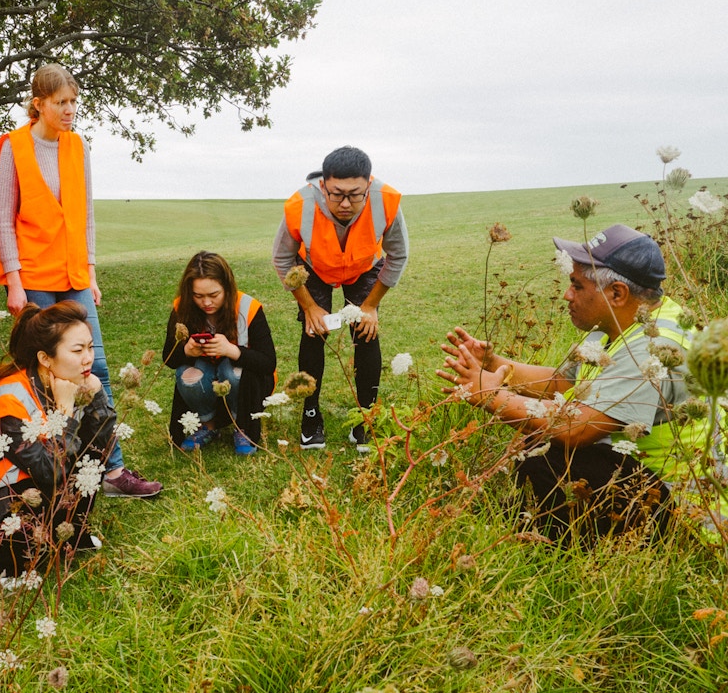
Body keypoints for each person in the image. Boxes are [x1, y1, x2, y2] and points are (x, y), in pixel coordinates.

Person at [437, 224, 696, 543]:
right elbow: (561, 383)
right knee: (538, 439)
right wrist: (494, 364)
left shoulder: (653, 348)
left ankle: (560, 548)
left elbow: (576, 429)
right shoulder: (617, 324)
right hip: (642, 475)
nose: (567, 295)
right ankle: (536, 529)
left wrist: (491, 395)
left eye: (577, 285)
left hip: (681, 507)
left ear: (617, 293)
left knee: (552, 454)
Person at [0, 62, 160, 498]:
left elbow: (85, 215)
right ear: (38, 103)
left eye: (73, 102)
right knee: (46, 373)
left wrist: (93, 271)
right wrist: (14, 281)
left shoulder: (77, 146)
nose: (69, 110)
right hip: (34, 276)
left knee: (94, 367)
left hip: (75, 273)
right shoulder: (13, 147)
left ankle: (112, 471)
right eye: (61, 103)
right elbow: (4, 221)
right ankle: (49, 469)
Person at [0, 302, 117, 576]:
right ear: (45, 358)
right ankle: (4, 563)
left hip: (31, 484)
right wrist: (65, 413)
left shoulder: (66, 380)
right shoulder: (7, 399)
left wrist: (97, 397)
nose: (88, 358)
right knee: (25, 538)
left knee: (92, 459)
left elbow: (101, 446)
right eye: (77, 350)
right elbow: (48, 471)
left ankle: (72, 533)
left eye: (90, 347)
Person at [272, 146, 409, 452]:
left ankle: (365, 419)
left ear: (368, 185)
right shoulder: (300, 205)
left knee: (366, 332)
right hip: (315, 267)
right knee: (314, 331)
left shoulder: (385, 200)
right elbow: (282, 259)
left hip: (363, 266)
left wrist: (370, 306)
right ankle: (311, 417)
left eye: (355, 194)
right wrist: (309, 306)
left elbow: (398, 255)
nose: (346, 203)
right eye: (336, 194)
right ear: (324, 185)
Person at [162, 251, 277, 454]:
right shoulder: (182, 307)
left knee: (231, 370)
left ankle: (242, 426)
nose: (206, 302)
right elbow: (169, 360)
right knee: (186, 374)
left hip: (247, 384)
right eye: (198, 296)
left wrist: (232, 351)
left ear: (227, 288)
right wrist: (187, 350)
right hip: (205, 382)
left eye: (214, 295)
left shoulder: (248, 307)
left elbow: (268, 363)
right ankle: (208, 425)